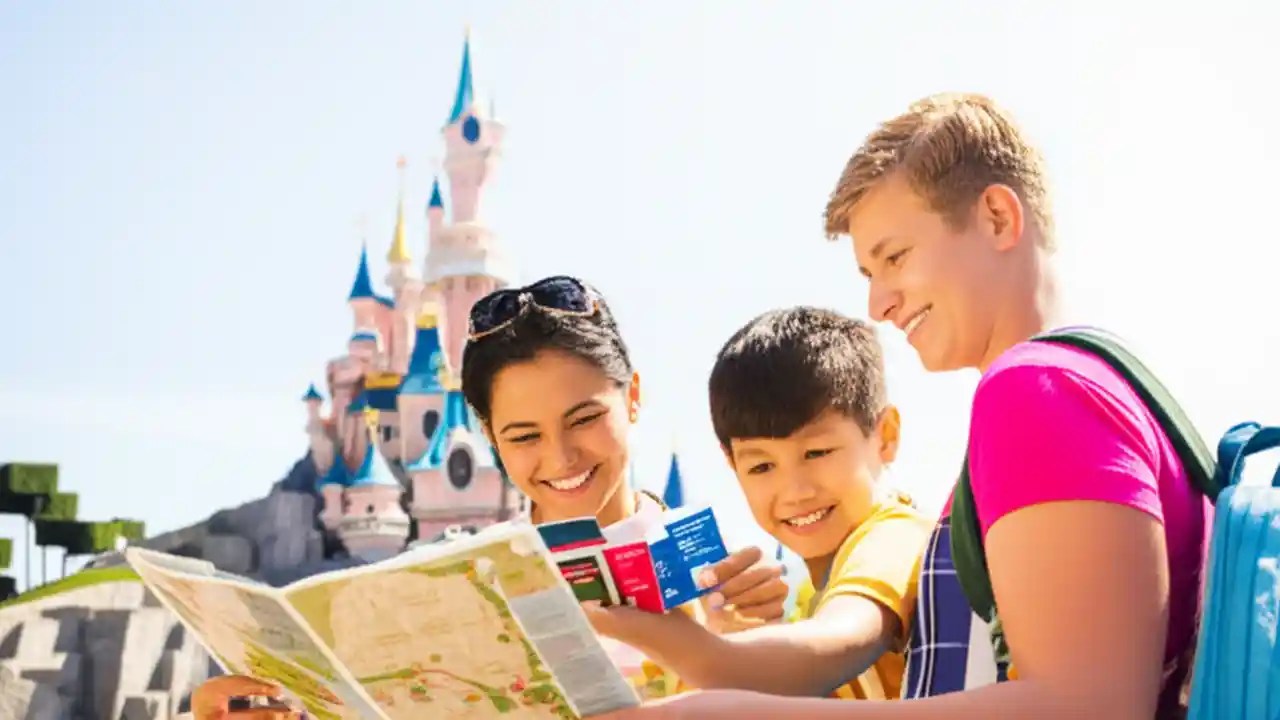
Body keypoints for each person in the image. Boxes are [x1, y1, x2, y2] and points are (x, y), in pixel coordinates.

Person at [590, 93, 1209, 719]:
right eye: (868, 273)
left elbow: (1088, 707)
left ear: (997, 217)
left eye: (895, 257)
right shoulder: (1096, 378)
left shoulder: (1035, 390)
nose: (878, 304)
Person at [191, 275, 788, 717]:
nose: (560, 458)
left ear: (632, 396)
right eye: (524, 436)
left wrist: (743, 650)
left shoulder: (722, 575)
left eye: (584, 419)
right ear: (490, 439)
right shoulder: (451, 581)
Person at [584, 306, 933, 701]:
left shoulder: (893, 535)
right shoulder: (819, 589)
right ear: (731, 463)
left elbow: (833, 643)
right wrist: (736, 637)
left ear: (885, 436)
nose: (795, 491)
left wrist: (692, 646)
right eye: (762, 466)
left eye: (817, 453)